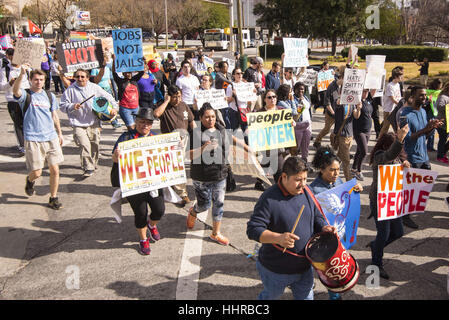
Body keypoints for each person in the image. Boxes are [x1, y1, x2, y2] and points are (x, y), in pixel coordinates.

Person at [247, 156, 336, 300]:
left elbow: (317, 216)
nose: (303, 184)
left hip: (304, 267)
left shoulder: (307, 191)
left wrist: (324, 227)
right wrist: (279, 238)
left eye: (305, 179)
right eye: (298, 180)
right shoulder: (268, 198)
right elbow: (253, 230)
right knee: (271, 296)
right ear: (284, 176)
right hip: (276, 270)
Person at [186, 103, 251, 245]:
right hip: (201, 177)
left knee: (219, 204)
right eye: (207, 117)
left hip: (220, 175)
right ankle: (193, 211)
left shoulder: (221, 130)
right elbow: (188, 155)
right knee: (204, 205)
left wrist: (247, 148)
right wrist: (203, 148)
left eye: (213, 117)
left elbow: (232, 138)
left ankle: (216, 233)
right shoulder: (195, 133)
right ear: (201, 118)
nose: (211, 120)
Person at [309, 146, 362, 299]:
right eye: (332, 170)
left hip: (338, 234)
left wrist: (355, 189)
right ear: (321, 169)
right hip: (321, 236)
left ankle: (335, 295)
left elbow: (345, 197)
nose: (336, 173)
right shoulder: (313, 190)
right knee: (321, 265)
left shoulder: (338, 181)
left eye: (338, 169)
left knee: (334, 267)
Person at [111, 108, 165, 255]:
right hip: (134, 185)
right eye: (142, 122)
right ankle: (143, 239)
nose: (145, 125)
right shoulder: (125, 138)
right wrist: (117, 156)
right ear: (136, 122)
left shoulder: (156, 138)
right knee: (140, 213)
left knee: (159, 210)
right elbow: (114, 159)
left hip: (153, 183)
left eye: (148, 123)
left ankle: (152, 225)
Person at [12, 65, 64, 210]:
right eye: (35, 80)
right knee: (37, 172)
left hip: (51, 137)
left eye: (41, 79)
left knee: (55, 169)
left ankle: (53, 198)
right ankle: (30, 180)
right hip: (33, 138)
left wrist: (59, 133)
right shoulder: (26, 95)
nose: (38, 82)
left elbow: (54, 115)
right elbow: (15, 91)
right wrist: (21, 75)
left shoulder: (49, 95)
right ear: (30, 80)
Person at [367, 125, 411, 279]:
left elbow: (395, 161)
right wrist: (399, 139)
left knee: (398, 232)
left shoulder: (396, 157)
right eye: (395, 147)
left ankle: (375, 246)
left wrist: (404, 165)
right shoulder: (380, 156)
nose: (399, 151)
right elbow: (389, 156)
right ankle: (376, 263)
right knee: (383, 234)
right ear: (387, 146)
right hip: (380, 201)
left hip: (393, 200)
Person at [60, 69, 118, 177]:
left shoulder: (94, 87)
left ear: (87, 78)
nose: (80, 79)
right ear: (74, 78)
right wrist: (72, 106)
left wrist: (114, 108)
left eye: (82, 76)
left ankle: (93, 162)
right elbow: (62, 106)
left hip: (93, 123)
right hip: (78, 123)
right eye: (77, 77)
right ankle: (88, 167)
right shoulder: (70, 90)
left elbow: (109, 97)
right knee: (84, 145)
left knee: (94, 145)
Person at [399, 85, 443, 229]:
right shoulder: (405, 114)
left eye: (425, 95)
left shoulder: (424, 112)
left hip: (423, 157)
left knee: (422, 187)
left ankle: (410, 211)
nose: (424, 98)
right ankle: (405, 217)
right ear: (412, 96)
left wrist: (432, 128)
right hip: (412, 157)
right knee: (410, 189)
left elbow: (424, 135)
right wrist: (426, 129)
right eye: (421, 95)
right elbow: (407, 138)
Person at [154, 85, 196, 206]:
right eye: (174, 97)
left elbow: (191, 121)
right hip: (170, 140)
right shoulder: (165, 106)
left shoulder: (183, 105)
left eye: (179, 96)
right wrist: (167, 101)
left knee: (177, 166)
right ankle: (182, 194)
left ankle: (175, 188)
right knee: (178, 167)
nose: (177, 99)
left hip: (184, 138)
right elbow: (156, 114)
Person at [0, 48, 30, 155]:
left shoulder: (26, 68)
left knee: (29, 122)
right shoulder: (5, 70)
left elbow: (32, 82)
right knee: (18, 123)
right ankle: (22, 146)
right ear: (8, 56)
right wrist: (10, 83)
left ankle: (31, 143)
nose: (13, 57)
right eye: (11, 55)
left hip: (26, 98)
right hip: (13, 100)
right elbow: (1, 87)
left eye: (15, 54)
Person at [313, 65, 345, 149]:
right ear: (340, 78)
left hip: (340, 113)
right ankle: (317, 141)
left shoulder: (344, 87)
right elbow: (326, 102)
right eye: (344, 80)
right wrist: (333, 112)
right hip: (331, 113)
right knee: (327, 129)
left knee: (338, 131)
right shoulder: (331, 86)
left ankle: (335, 145)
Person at [112, 55, 145, 131]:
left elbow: (142, 72)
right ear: (123, 74)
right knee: (131, 127)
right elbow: (114, 72)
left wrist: (142, 61)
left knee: (137, 128)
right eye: (126, 73)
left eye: (129, 72)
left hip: (136, 108)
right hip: (125, 109)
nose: (127, 74)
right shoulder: (120, 81)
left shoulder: (134, 80)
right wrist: (114, 60)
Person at [351, 89, 373, 181]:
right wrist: (359, 108)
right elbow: (356, 116)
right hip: (359, 130)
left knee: (359, 151)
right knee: (364, 152)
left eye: (367, 92)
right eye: (364, 91)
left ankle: (353, 168)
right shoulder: (356, 102)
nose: (366, 93)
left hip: (367, 130)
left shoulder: (368, 101)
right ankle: (358, 171)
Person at [379, 68, 404, 138]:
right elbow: (392, 99)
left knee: (396, 126)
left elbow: (398, 96)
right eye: (400, 76)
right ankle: (380, 140)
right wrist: (400, 105)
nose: (402, 78)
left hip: (395, 108)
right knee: (385, 127)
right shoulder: (390, 86)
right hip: (388, 109)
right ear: (396, 77)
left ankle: (398, 141)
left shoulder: (398, 85)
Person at [292, 82, 312, 162]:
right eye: (299, 89)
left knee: (306, 144)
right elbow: (295, 112)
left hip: (307, 124)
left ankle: (304, 161)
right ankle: (294, 162)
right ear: (295, 90)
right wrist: (299, 103)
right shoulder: (292, 99)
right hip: (298, 125)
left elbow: (309, 109)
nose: (301, 91)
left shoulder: (306, 98)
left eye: (302, 89)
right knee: (296, 146)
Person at [435, 82, 449, 163]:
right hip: (442, 123)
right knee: (442, 140)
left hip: (448, 123)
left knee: (444, 139)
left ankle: (443, 152)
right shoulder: (443, 97)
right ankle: (440, 156)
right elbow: (439, 106)